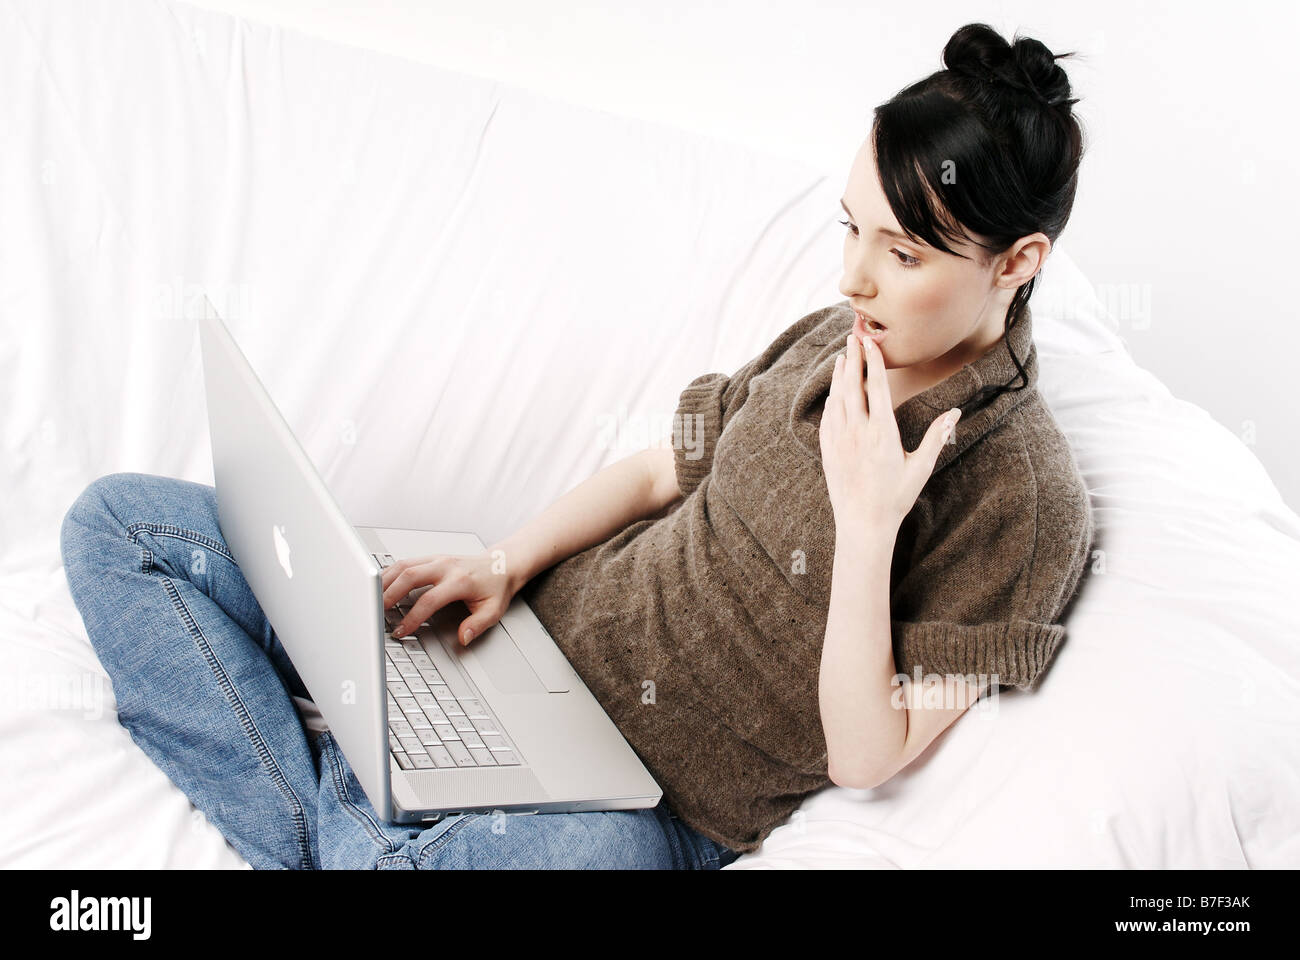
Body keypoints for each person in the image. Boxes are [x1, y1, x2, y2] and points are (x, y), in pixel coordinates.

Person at [60, 21, 1093, 869]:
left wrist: (869, 531)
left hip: (634, 811)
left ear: (1018, 261)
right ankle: (351, 809)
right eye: (850, 228)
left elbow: (872, 755)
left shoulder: (1022, 498)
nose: (851, 278)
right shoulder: (839, 335)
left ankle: (338, 805)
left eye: (901, 252)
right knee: (119, 527)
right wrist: (504, 560)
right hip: (515, 655)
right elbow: (660, 468)